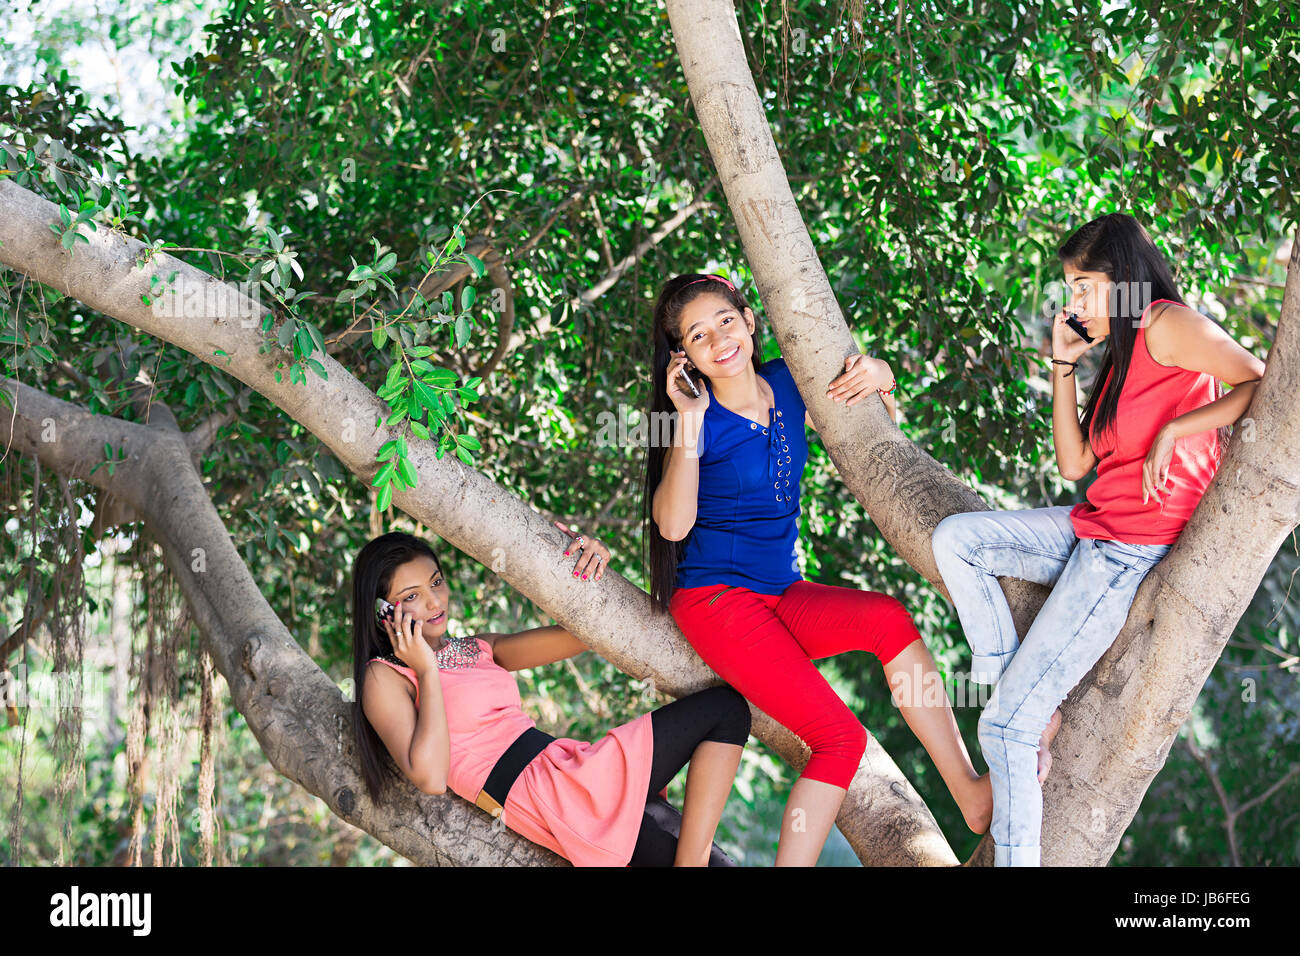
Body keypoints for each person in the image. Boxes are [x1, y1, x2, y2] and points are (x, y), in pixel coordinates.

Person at [931, 212, 1266, 866]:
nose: (1073, 301)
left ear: (1126, 280)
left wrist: (1178, 430)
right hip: (1092, 525)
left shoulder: (1168, 324)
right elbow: (1075, 465)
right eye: (1069, 287)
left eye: (1084, 285)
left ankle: (1022, 730)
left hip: (1130, 549)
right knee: (956, 541)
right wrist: (1062, 365)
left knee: (1002, 726)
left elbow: (1258, 379)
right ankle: (1026, 709)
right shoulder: (1118, 355)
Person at [641, 272, 992, 866]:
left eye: (725, 321)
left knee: (887, 619)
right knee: (840, 741)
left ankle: (971, 796)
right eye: (699, 336)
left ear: (750, 321)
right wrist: (689, 421)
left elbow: (881, 424)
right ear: (686, 359)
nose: (719, 339)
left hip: (782, 592)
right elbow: (671, 527)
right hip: (718, 603)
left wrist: (882, 374)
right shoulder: (696, 424)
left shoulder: (788, 379)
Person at [351, 526, 751, 866]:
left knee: (716, 850)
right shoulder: (385, 677)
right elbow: (431, 777)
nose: (435, 601)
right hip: (549, 800)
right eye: (410, 597)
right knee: (724, 710)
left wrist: (584, 566)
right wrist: (426, 669)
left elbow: (584, 636)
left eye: (436, 582)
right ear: (382, 611)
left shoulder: (477, 647)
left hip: (572, 766)